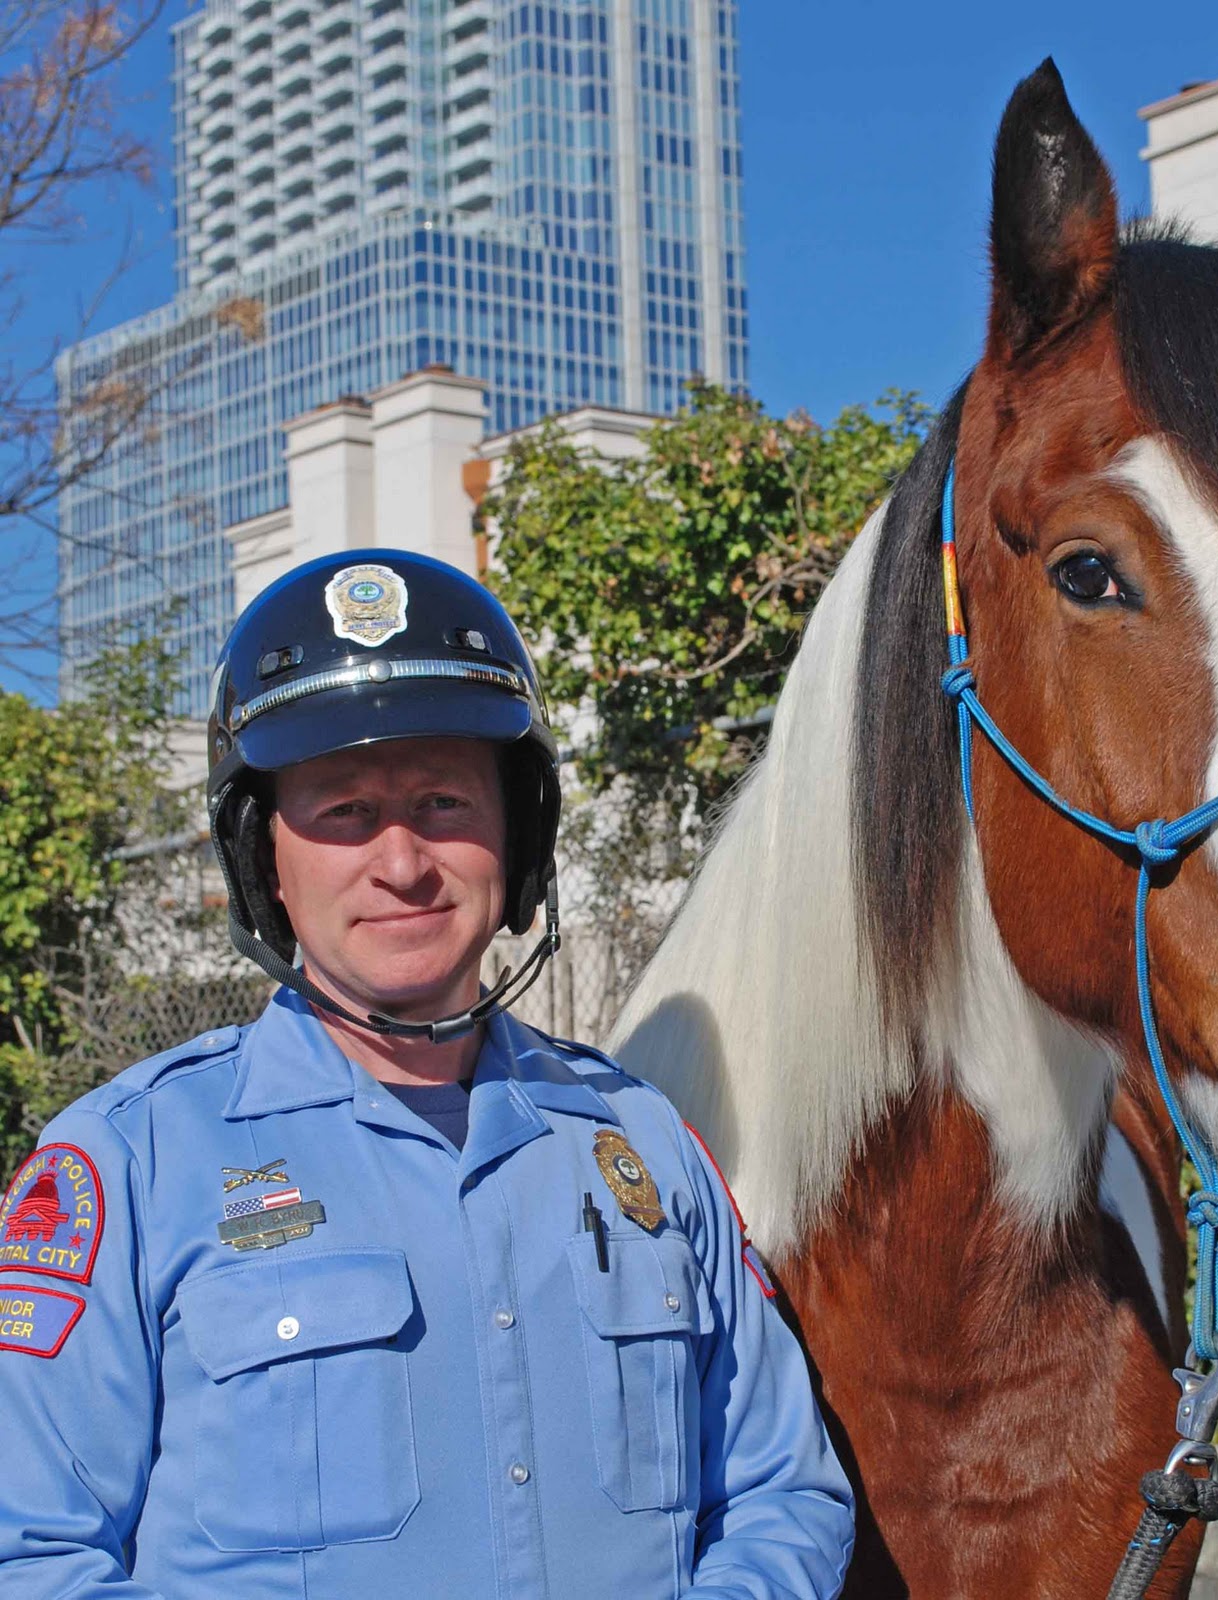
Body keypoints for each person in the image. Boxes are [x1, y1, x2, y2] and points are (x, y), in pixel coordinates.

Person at [0, 552, 854, 1597]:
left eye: (445, 801)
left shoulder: (641, 1140)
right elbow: (31, 1554)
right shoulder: (128, 1163)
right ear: (263, 856)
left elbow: (782, 1491)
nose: (402, 862)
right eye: (345, 811)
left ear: (519, 833)